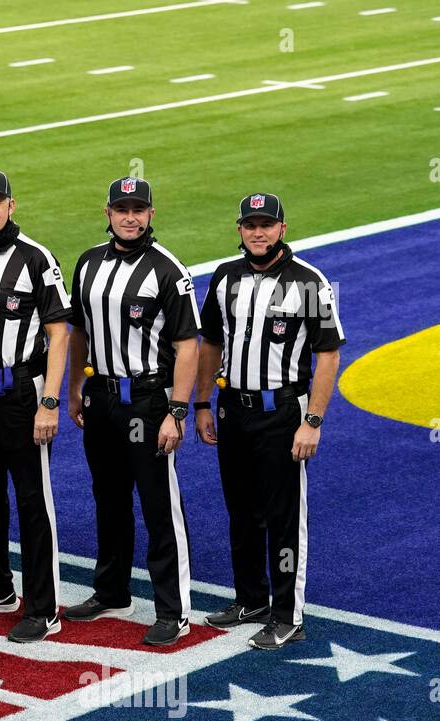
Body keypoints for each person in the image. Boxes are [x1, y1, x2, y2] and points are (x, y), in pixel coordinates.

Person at [195, 193, 344, 650]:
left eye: (266, 224)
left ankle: (287, 615)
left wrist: (312, 420)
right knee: (242, 511)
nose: (258, 232)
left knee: (284, 516)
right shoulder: (225, 277)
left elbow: (328, 355)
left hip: (283, 412)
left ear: (283, 228)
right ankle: (251, 599)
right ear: (238, 229)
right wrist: (202, 403)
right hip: (232, 408)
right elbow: (212, 345)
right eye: (249, 224)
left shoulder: (310, 282)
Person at [65, 177, 198, 647]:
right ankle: (111, 590)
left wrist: (177, 411)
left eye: (137, 209)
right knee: (109, 498)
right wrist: (76, 385)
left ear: (150, 214)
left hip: (147, 398)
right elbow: (77, 329)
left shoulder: (168, 269)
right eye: (121, 209)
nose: (129, 217)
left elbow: (188, 347)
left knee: (159, 506)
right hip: (101, 395)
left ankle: (174, 610)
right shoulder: (87, 263)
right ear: (107, 213)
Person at [0, 169, 72, 644]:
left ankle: (43, 608)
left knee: (32, 499)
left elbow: (59, 333)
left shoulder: (36, 258)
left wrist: (49, 402)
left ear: (11, 205)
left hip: (23, 392)